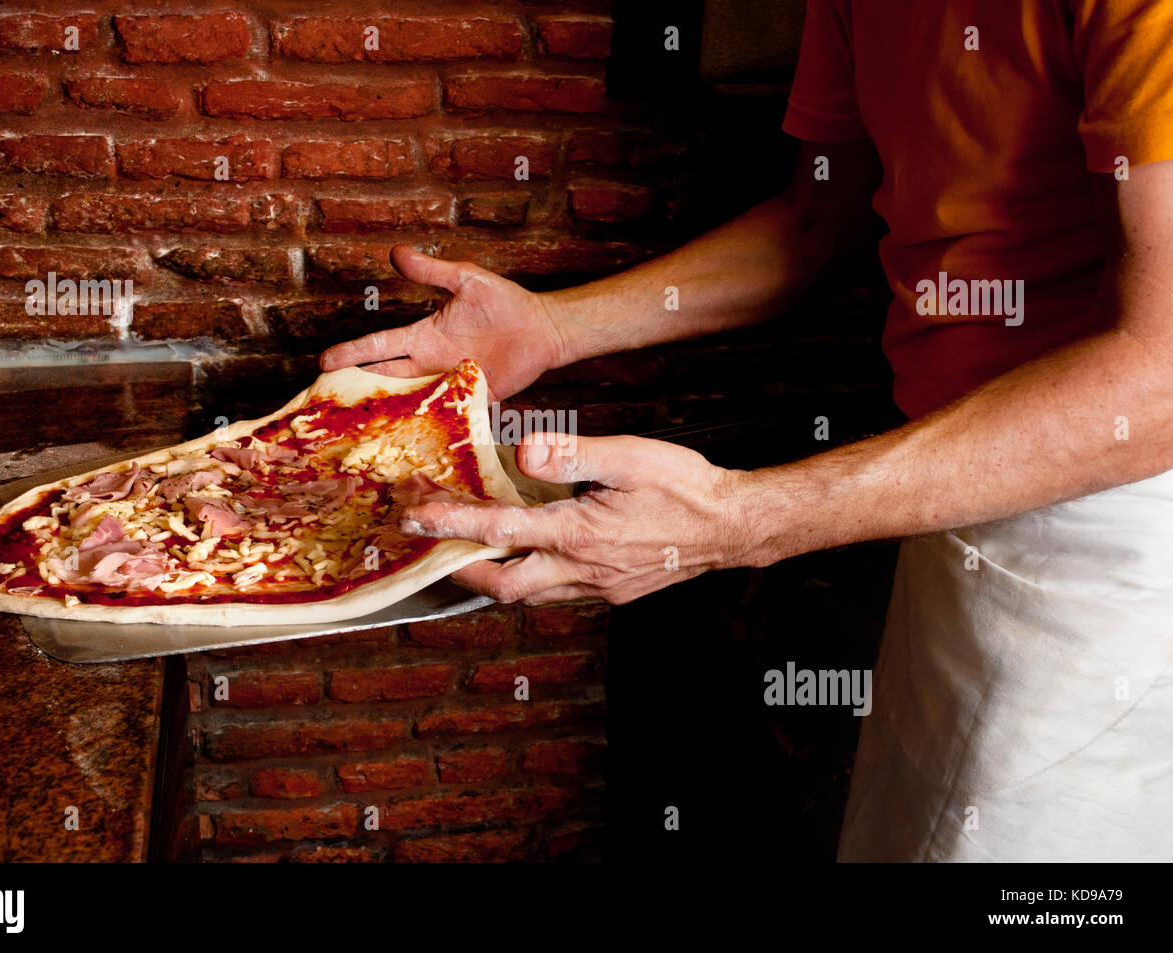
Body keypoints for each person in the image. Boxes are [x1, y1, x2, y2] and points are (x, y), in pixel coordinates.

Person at [320, 0, 1173, 862]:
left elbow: (1161, 377)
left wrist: (739, 520)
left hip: (1121, 521)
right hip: (948, 496)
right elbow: (812, 222)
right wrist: (554, 327)